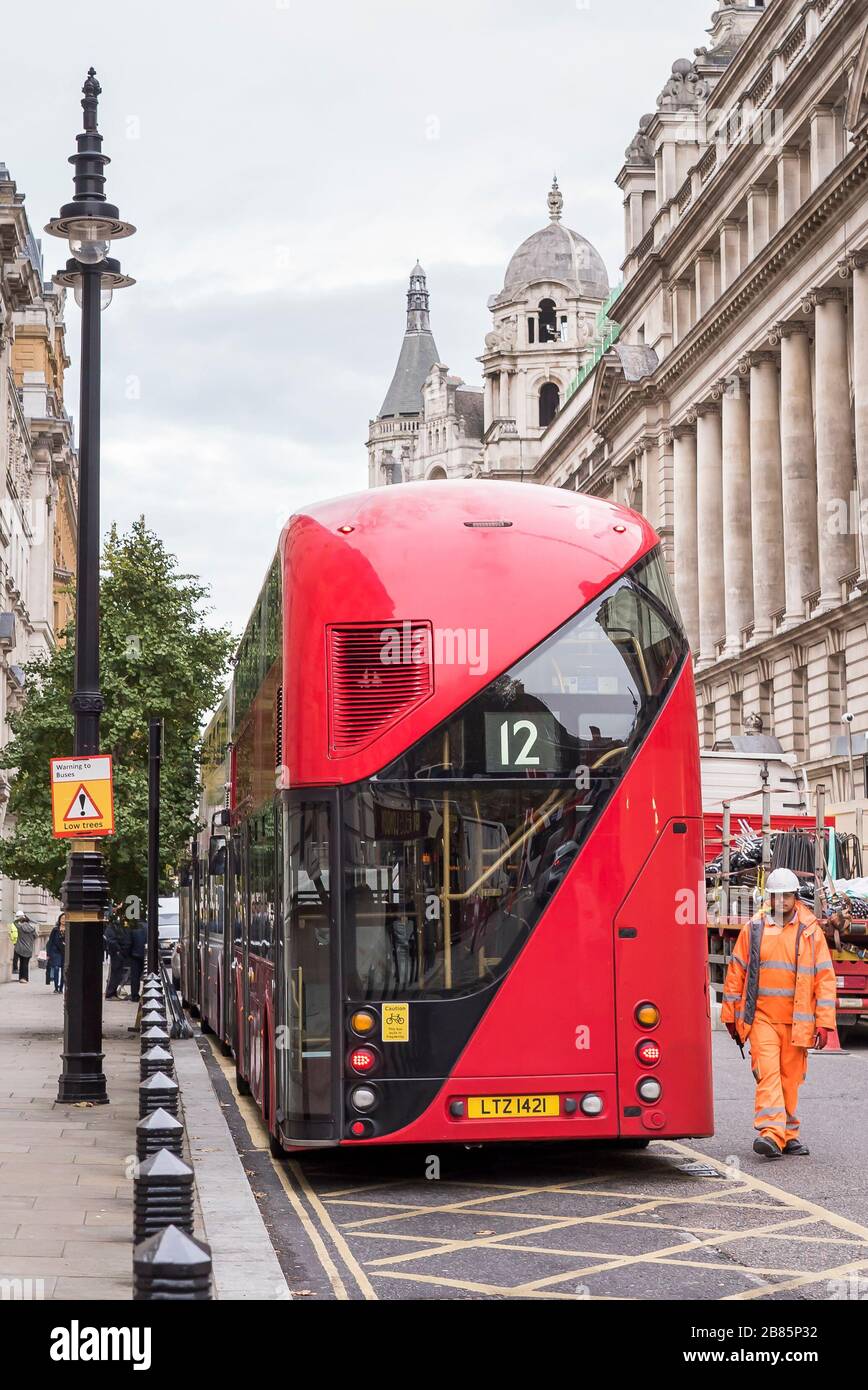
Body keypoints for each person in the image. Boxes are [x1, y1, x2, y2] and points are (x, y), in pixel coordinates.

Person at [721, 867, 838, 1159]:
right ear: (769, 898)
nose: (781, 901)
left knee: (790, 1078)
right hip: (762, 1019)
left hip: (797, 1022)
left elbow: (824, 978)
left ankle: (787, 1132)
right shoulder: (756, 928)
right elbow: (736, 972)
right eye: (776, 896)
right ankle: (771, 1133)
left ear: (795, 896)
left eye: (786, 895)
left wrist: (824, 1023)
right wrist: (730, 1015)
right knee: (768, 1074)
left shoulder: (810, 931)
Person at [104, 916, 131, 999]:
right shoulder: (114, 925)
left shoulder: (125, 924)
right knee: (115, 973)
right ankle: (110, 993)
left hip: (122, 952)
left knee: (119, 974)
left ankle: (113, 993)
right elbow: (111, 939)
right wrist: (118, 950)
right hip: (117, 953)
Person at [13, 912, 37, 984]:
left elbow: (14, 922)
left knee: (21, 963)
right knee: (26, 964)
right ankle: (25, 978)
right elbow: (35, 936)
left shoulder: (20, 928)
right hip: (29, 948)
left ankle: (21, 978)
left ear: (22, 921)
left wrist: (19, 918)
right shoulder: (32, 929)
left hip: (20, 948)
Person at [128, 919, 147, 1002]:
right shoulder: (148, 925)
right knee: (148, 974)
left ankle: (134, 995)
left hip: (135, 954)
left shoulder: (132, 927)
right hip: (146, 954)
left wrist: (128, 954)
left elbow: (128, 942)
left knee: (135, 976)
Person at [46, 916, 66, 994]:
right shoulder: (55, 930)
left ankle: (61, 988)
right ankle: (56, 988)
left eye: (65, 918)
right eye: (62, 918)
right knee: (56, 968)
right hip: (55, 952)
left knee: (64, 970)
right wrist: (48, 953)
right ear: (59, 919)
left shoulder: (69, 929)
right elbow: (50, 941)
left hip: (65, 952)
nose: (63, 920)